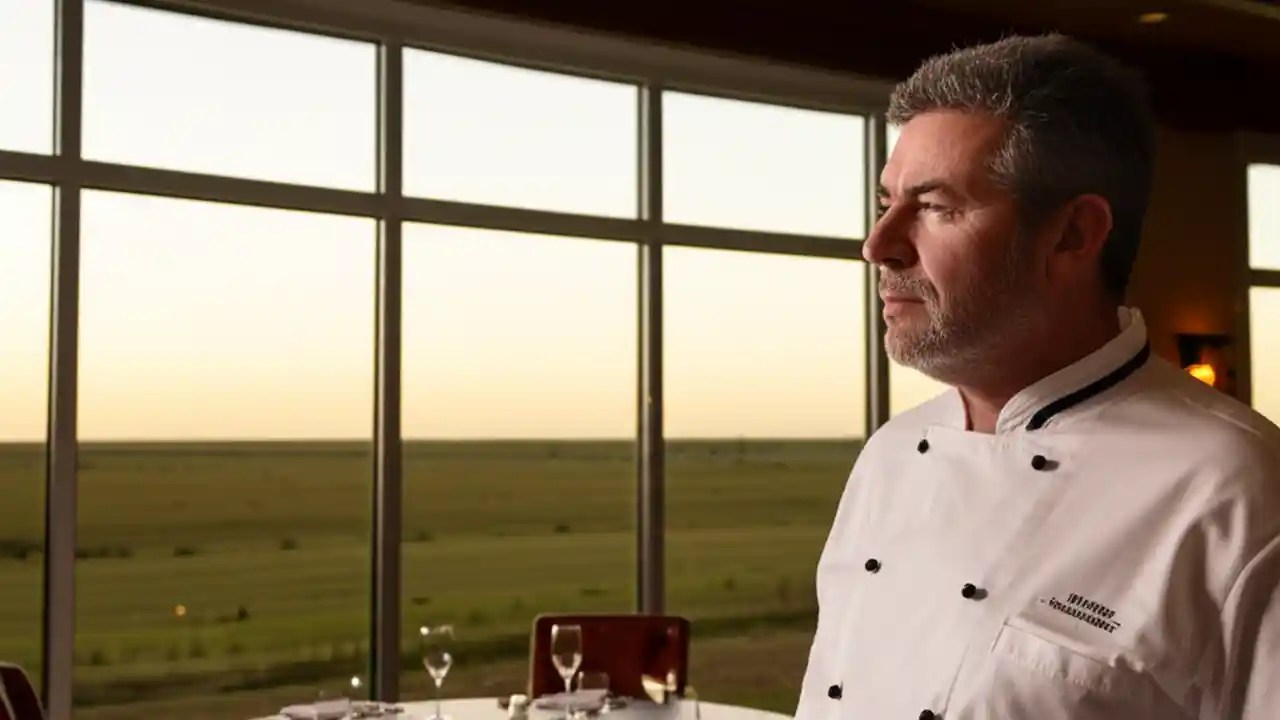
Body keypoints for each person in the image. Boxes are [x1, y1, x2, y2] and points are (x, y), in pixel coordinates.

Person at [795, 34, 1280, 720]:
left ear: (1074, 236)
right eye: (887, 201)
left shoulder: (1236, 490)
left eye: (936, 206)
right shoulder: (891, 455)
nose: (879, 243)